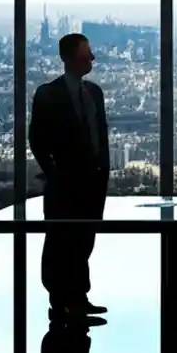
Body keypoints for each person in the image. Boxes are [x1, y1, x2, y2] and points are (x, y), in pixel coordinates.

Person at [30, 33, 110, 323]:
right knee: (62, 243)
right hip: (66, 185)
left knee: (83, 242)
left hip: (91, 184)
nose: (92, 59)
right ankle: (62, 302)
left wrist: (103, 173)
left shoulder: (94, 93)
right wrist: (55, 175)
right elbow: (37, 140)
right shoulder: (48, 95)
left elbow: (101, 137)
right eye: (85, 54)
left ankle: (78, 298)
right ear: (67, 58)